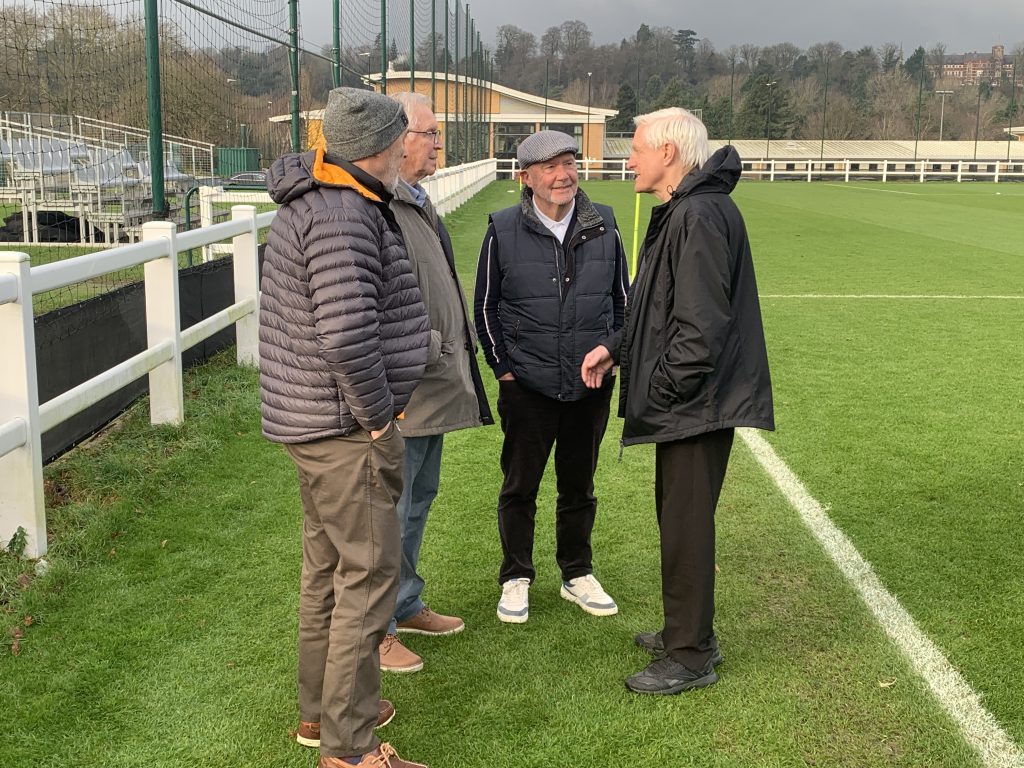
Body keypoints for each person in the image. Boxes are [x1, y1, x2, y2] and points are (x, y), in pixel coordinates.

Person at [259, 87, 430, 768]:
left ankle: (320, 712)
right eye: (404, 140)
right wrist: (379, 420)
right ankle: (351, 749)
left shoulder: (328, 199)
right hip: (343, 430)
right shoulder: (340, 213)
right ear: (381, 148)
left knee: (328, 573)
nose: (410, 150)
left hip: (318, 427)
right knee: (364, 581)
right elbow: (347, 335)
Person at [581, 108, 774, 694]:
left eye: (637, 148)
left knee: (687, 528)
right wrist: (617, 348)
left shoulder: (700, 214)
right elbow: (654, 304)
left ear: (668, 153)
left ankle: (690, 655)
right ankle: (686, 633)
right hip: (689, 402)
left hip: (695, 403)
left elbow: (701, 328)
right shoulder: (686, 209)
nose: (628, 158)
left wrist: (662, 392)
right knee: (678, 521)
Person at [474, 130, 629, 624]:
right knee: (520, 486)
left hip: (590, 384)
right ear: (526, 177)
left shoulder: (604, 222)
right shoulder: (502, 228)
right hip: (528, 386)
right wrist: (505, 371)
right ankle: (515, 576)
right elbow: (485, 307)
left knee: (579, 485)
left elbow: (624, 304)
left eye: (569, 163)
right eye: (548, 167)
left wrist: (612, 352)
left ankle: (576, 573)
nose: (562, 175)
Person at [378, 91, 493, 673]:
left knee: (418, 499)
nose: (438, 141)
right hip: (404, 390)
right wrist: (428, 350)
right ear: (398, 139)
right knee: (387, 513)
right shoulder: (379, 205)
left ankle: (406, 601)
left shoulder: (416, 199)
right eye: (429, 131)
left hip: (432, 386)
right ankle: (379, 631)